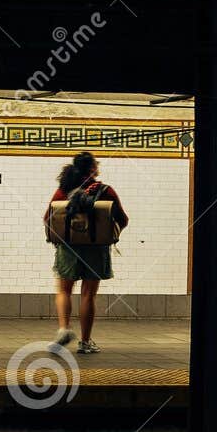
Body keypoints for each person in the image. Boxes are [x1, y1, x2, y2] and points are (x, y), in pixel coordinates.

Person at [46, 151, 127, 355]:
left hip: (68, 248)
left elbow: (48, 217)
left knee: (64, 290)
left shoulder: (63, 190)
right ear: (92, 169)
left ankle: (64, 329)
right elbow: (123, 219)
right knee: (88, 295)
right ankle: (85, 342)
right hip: (96, 249)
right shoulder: (105, 191)